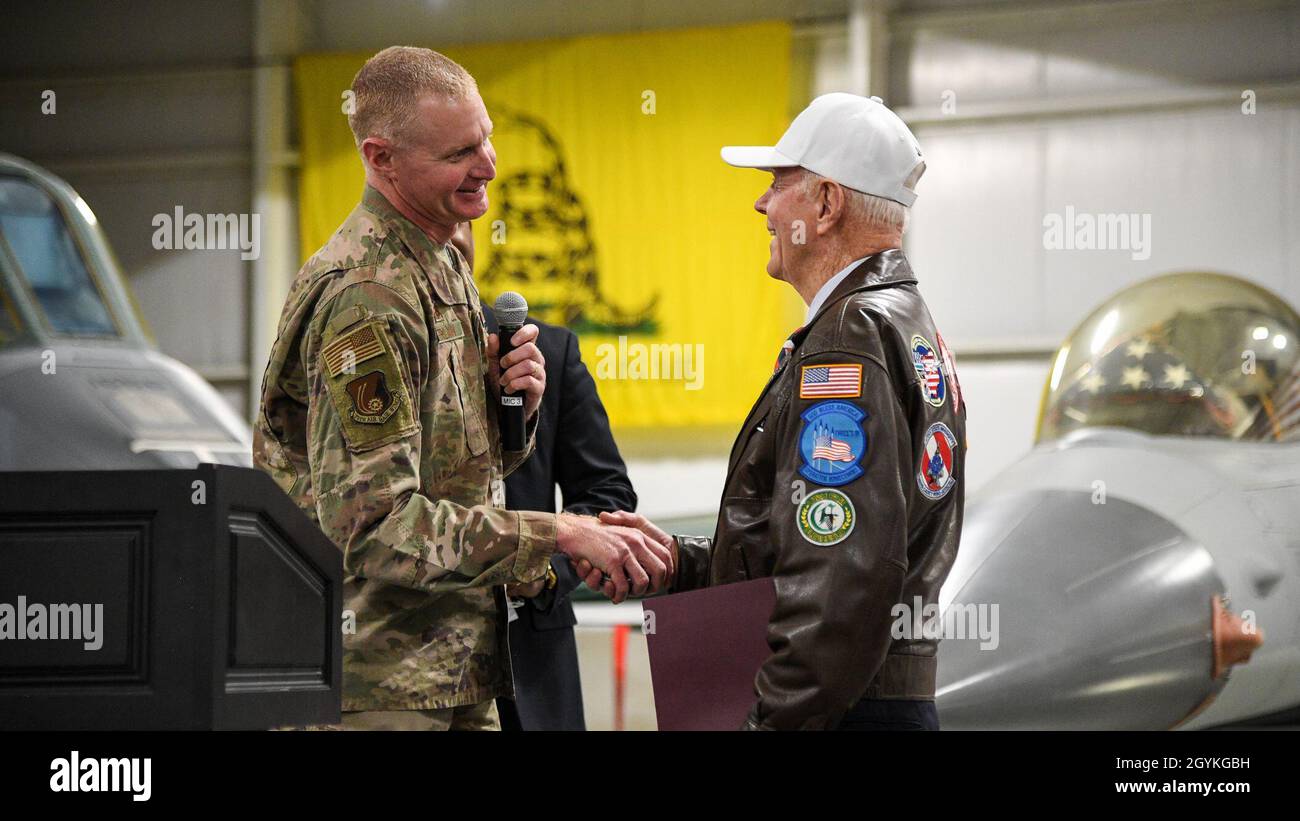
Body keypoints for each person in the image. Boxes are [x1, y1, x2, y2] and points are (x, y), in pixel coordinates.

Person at [252, 46, 670, 731]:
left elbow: (447, 480)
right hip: (375, 687)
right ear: (381, 158)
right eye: (458, 152)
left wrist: (515, 419)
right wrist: (557, 531)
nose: (488, 166)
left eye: (486, 139)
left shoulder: (441, 259)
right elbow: (377, 527)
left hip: (453, 670)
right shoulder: (367, 296)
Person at [582, 93, 967, 731]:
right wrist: (685, 565)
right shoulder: (902, 324)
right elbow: (822, 548)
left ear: (825, 204)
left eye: (778, 182)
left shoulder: (851, 340)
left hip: (841, 712)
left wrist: (773, 724)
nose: (762, 204)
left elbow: (838, 576)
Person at [452, 222, 637, 732]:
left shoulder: (546, 354)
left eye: (460, 226)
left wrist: (543, 573)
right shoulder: (386, 360)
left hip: (529, 658)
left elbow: (607, 495)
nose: (451, 239)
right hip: (412, 666)